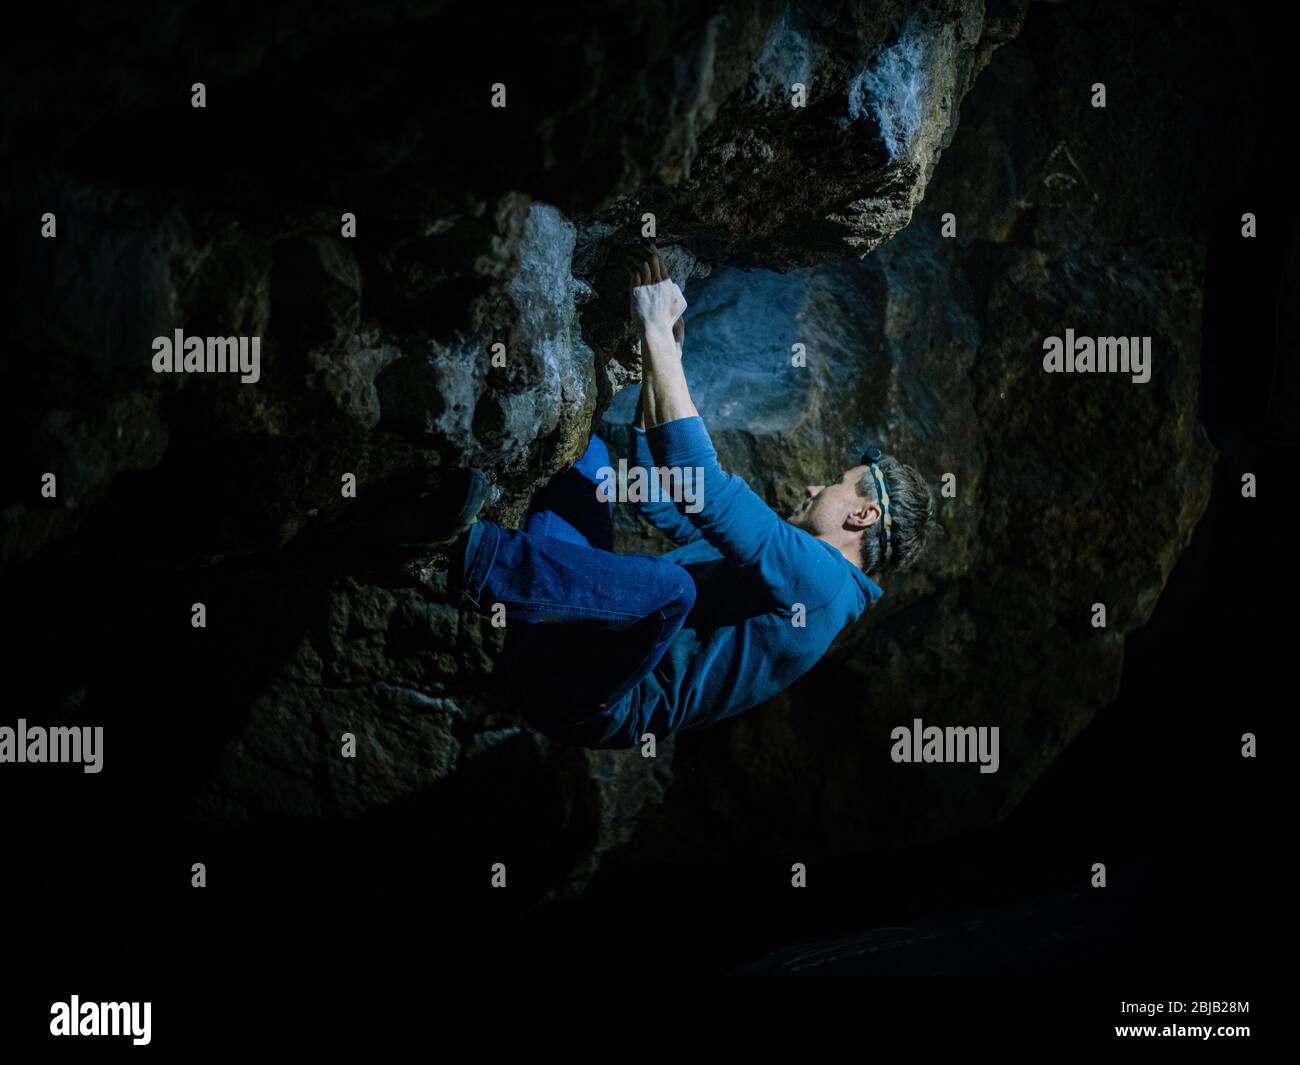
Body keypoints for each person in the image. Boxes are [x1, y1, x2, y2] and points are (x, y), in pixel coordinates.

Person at [433, 243, 936, 748]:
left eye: (834, 484)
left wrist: (657, 332)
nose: (813, 487)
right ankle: (462, 483)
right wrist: (661, 356)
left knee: (671, 588)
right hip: (565, 648)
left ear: (863, 513)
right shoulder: (795, 568)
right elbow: (664, 495)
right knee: (587, 460)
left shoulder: (823, 585)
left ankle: (454, 548)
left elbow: (704, 485)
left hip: (590, 702)